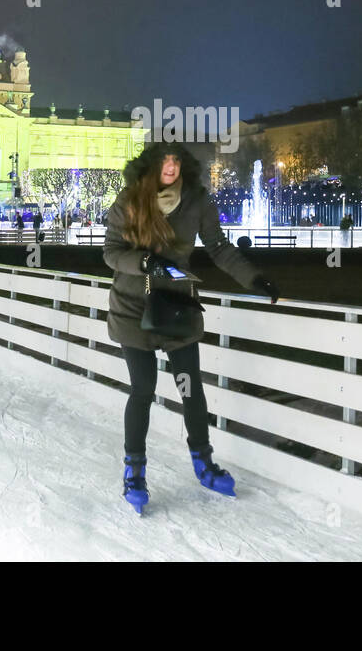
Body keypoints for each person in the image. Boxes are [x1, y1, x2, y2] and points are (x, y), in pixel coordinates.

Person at [103, 142, 279, 515]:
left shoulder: (196, 199)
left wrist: (255, 279)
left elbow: (218, 247)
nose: (171, 166)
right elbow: (111, 252)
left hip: (176, 310)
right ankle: (134, 470)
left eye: (177, 160)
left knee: (189, 388)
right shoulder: (131, 199)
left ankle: (203, 461)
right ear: (152, 165)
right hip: (134, 309)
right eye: (165, 160)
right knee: (143, 389)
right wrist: (144, 262)